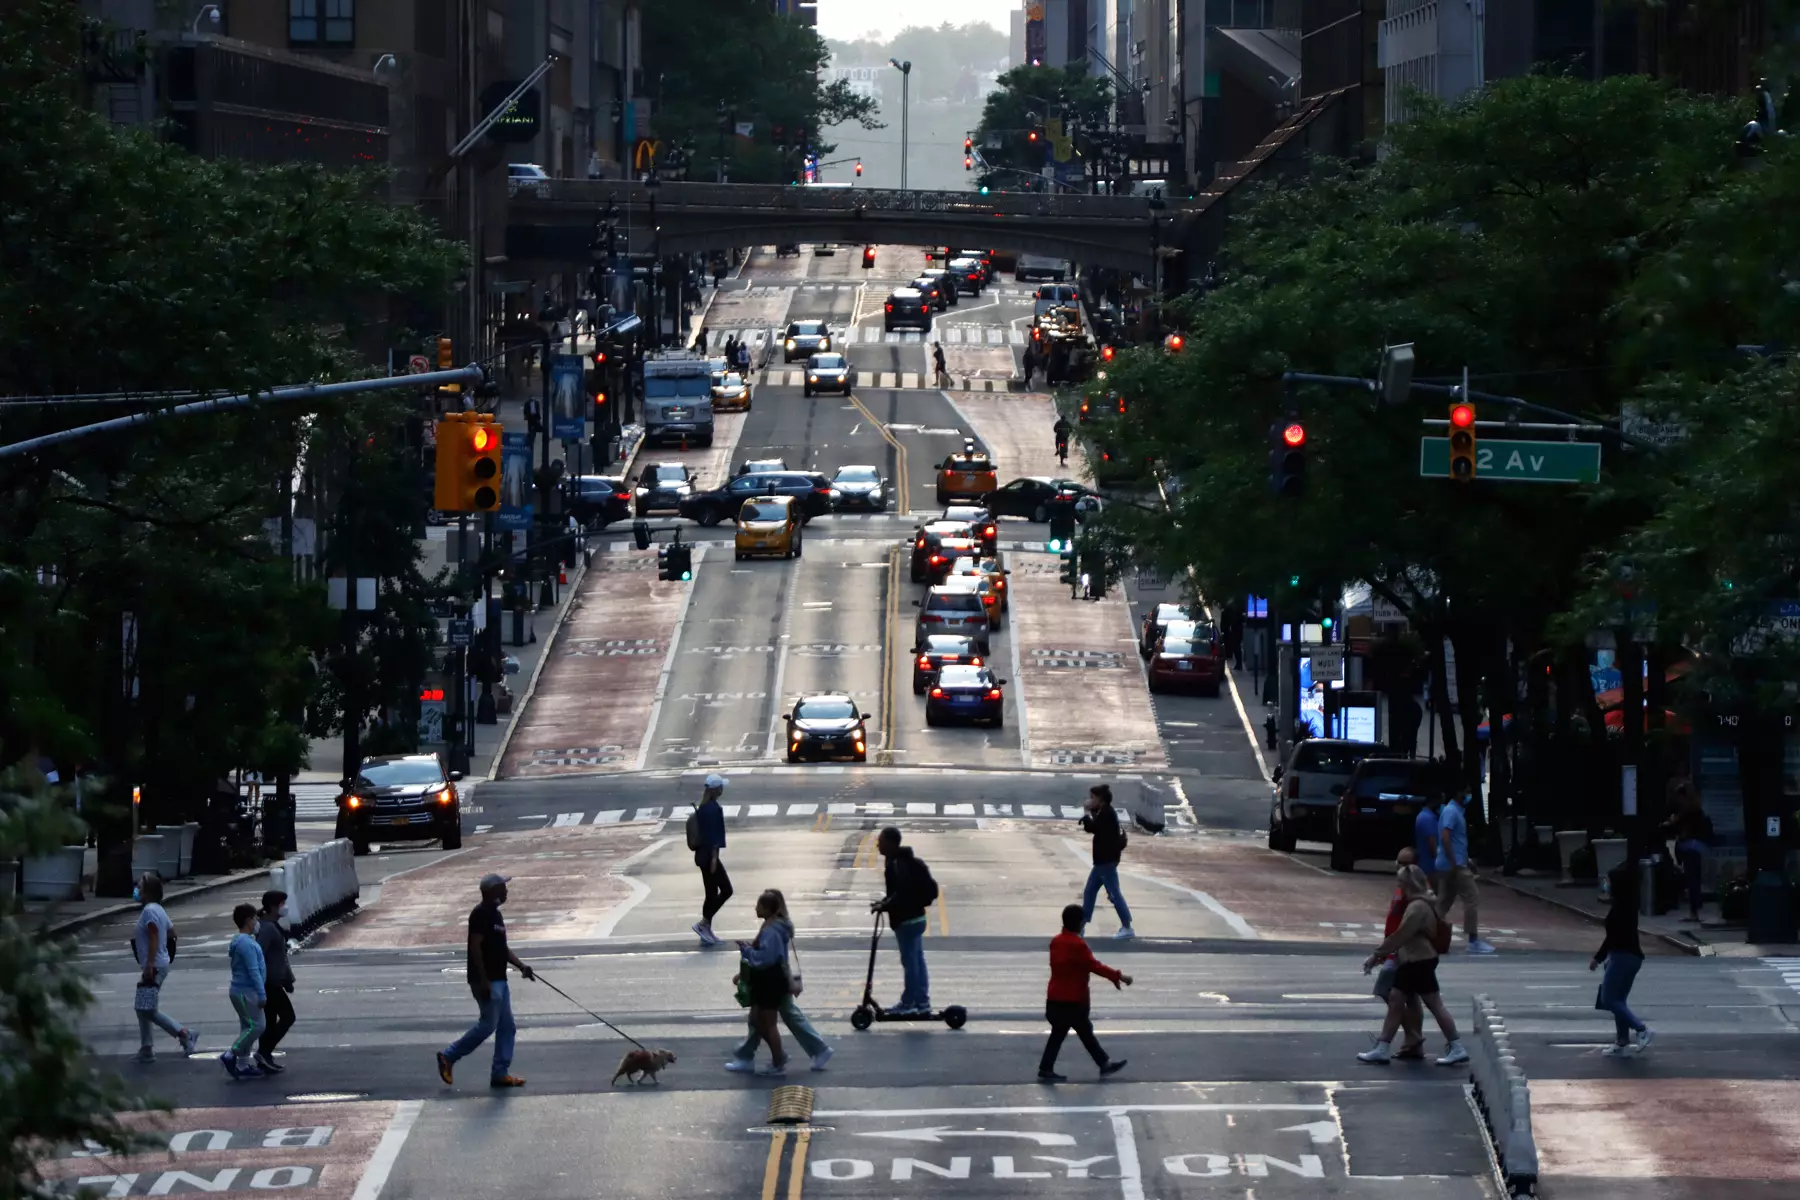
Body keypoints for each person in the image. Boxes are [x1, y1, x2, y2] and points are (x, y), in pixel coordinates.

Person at [1359, 865, 1468, 1066]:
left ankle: (1456, 1046)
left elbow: (1401, 935)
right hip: (1418, 959)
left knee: (1426, 1004)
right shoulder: (1425, 902)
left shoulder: (1417, 906)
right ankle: (1384, 1047)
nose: (1398, 885)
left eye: (1401, 881)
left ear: (1409, 883)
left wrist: (1376, 955)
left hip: (1417, 960)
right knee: (1399, 1000)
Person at [436, 873, 537, 1088]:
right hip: (488, 980)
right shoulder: (481, 914)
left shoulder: (496, 915)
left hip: (500, 978)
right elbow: (475, 947)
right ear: (492, 891)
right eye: (503, 887)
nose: (506, 891)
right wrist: (483, 981)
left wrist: (521, 967)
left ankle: (500, 1073)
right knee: (487, 1025)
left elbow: (502, 948)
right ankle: (449, 1056)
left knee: (507, 1027)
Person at [728, 890, 832, 1074]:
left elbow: (766, 957)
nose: (755, 908)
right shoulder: (774, 926)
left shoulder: (772, 930)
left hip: (771, 980)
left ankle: (773, 1058)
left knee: (766, 1021)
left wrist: (747, 953)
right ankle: (761, 1056)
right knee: (762, 1018)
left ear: (769, 908)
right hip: (774, 978)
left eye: (759, 905)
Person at [1039, 903, 1132, 1082]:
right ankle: (1103, 1064)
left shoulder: (1056, 941)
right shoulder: (1077, 945)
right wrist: (1119, 976)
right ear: (1080, 923)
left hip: (1054, 998)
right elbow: (1094, 966)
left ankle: (1102, 1063)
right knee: (1080, 1032)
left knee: (1068, 1033)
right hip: (1071, 1000)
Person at [131, 873, 199, 1064]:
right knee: (142, 1007)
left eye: (140, 884)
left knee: (147, 1009)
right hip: (159, 963)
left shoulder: (150, 911)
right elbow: (171, 932)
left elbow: (154, 935)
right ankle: (146, 1047)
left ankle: (184, 1033)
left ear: (148, 890)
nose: (136, 887)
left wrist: (150, 962)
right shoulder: (158, 909)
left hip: (154, 966)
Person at [872, 827, 938, 1015]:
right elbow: (898, 893)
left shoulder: (898, 864)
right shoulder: (902, 861)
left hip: (907, 919)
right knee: (917, 961)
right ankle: (922, 1001)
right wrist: (884, 902)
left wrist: (884, 906)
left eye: (881, 841)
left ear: (891, 843)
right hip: (917, 917)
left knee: (910, 963)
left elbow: (902, 893)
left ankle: (909, 1003)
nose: (878, 844)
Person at [1591, 864, 1654, 1055]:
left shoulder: (1621, 908)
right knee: (1618, 1000)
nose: (1606, 884)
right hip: (1627, 956)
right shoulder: (1625, 904)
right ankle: (1622, 1041)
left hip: (1622, 956)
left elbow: (1613, 937)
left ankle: (1641, 1030)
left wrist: (1598, 958)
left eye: (1609, 881)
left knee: (1609, 999)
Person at [1372, 850, 1427, 1059]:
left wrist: (1383, 951)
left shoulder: (1414, 890)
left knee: (1387, 991)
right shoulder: (1402, 886)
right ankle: (1413, 1041)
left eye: (1405, 864)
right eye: (1399, 862)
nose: (1400, 867)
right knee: (1410, 997)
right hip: (1397, 948)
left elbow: (1407, 926)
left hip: (1403, 950)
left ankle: (1412, 1037)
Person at [1435, 790, 1496, 954]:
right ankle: (1473, 940)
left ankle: (1426, 932)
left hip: (1452, 863)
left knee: (1443, 902)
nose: (1469, 795)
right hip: (1455, 865)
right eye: (1467, 791)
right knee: (1471, 897)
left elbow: (1455, 840)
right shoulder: (1452, 812)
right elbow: (1446, 837)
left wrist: (1467, 861)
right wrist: (1456, 863)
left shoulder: (1453, 811)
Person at [1078, 785, 1134, 938]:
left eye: (1093, 798)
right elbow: (1094, 826)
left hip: (1106, 862)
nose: (1090, 800)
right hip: (1102, 862)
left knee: (1114, 894)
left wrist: (1086, 813)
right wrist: (1089, 812)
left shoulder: (1108, 814)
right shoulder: (1105, 811)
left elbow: (1093, 827)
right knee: (1089, 892)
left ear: (1100, 799)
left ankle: (1127, 926)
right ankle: (1081, 926)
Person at [221, 903, 267, 1079]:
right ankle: (231, 1054)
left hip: (242, 991)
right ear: (249, 921)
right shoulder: (245, 944)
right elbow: (253, 970)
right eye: (255, 918)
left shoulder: (242, 942)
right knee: (257, 1026)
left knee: (247, 1027)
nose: (257, 922)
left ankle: (242, 1065)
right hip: (246, 991)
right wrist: (261, 994)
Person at [1661, 763, 1711, 922]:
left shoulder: (1687, 810)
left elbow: (1675, 824)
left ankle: (1694, 911)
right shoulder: (1697, 808)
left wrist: (1669, 823)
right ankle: (1695, 910)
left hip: (1690, 847)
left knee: (1692, 879)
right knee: (1694, 878)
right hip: (1698, 847)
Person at [253, 890, 296, 1074]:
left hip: (273, 980)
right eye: (281, 904)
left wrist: (287, 979)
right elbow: (259, 954)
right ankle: (264, 1052)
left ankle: (265, 1057)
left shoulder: (272, 926)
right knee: (288, 1016)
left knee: (270, 1021)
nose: (284, 907)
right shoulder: (267, 928)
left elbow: (280, 957)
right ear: (272, 906)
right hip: (269, 982)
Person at [691, 774, 733, 945]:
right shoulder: (713, 808)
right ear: (715, 790)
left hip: (702, 856)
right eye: (721, 786)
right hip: (709, 856)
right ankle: (704, 923)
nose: (723, 789)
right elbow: (713, 835)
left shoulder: (704, 806)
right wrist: (715, 857)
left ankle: (706, 926)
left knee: (711, 892)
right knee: (726, 890)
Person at [1414, 795, 1442, 889]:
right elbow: (1432, 844)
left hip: (1425, 864)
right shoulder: (1428, 818)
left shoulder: (1423, 815)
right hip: (1431, 866)